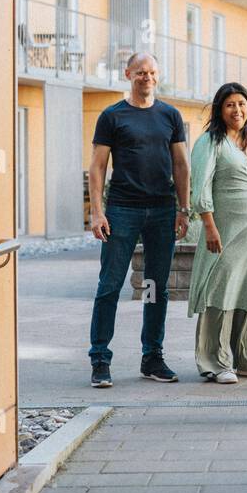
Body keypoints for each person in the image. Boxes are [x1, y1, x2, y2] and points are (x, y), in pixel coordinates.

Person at [86, 52, 191, 388]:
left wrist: (183, 208)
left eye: (152, 72)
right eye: (140, 72)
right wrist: (97, 211)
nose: (147, 77)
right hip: (122, 210)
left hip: (162, 211)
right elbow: (98, 166)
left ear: (158, 76)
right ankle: (100, 359)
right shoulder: (112, 116)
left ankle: (152, 357)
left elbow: (181, 165)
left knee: (154, 288)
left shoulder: (170, 115)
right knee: (110, 286)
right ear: (128, 74)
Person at [187, 82, 247, 384]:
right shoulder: (209, 142)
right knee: (220, 291)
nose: (236, 110)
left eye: (241, 104)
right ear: (220, 109)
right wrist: (209, 227)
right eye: (229, 105)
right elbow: (200, 188)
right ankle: (215, 362)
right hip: (224, 231)